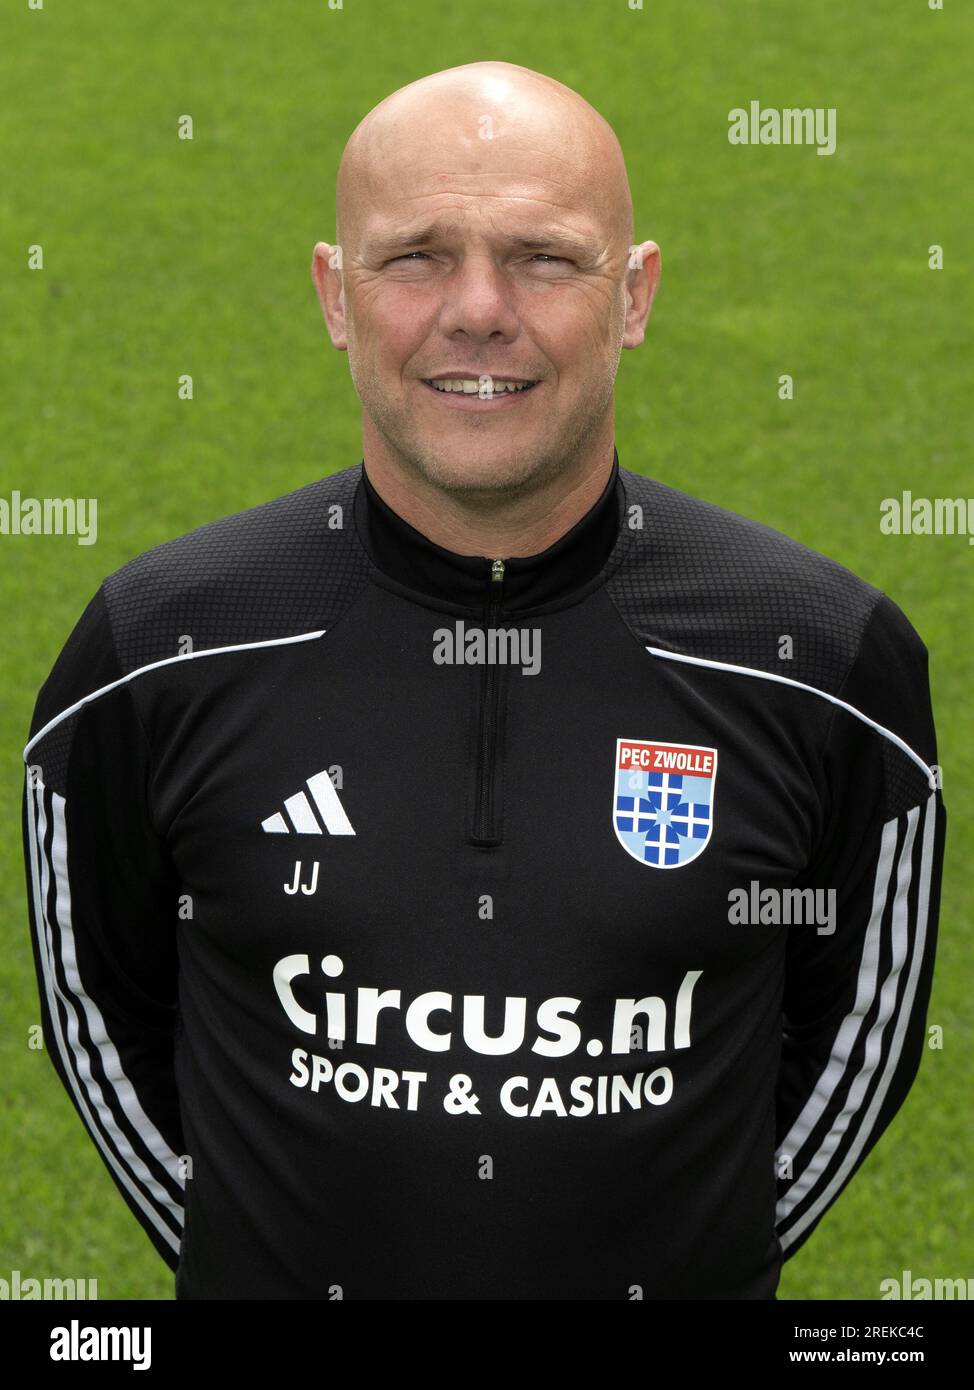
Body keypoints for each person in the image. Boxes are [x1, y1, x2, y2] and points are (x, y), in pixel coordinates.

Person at [21, 61, 945, 1300]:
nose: (476, 311)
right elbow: (101, 1010)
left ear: (634, 294)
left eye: (544, 259)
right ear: (333, 295)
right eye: (411, 258)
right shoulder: (160, 650)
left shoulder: (820, 662)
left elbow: (856, 1035)